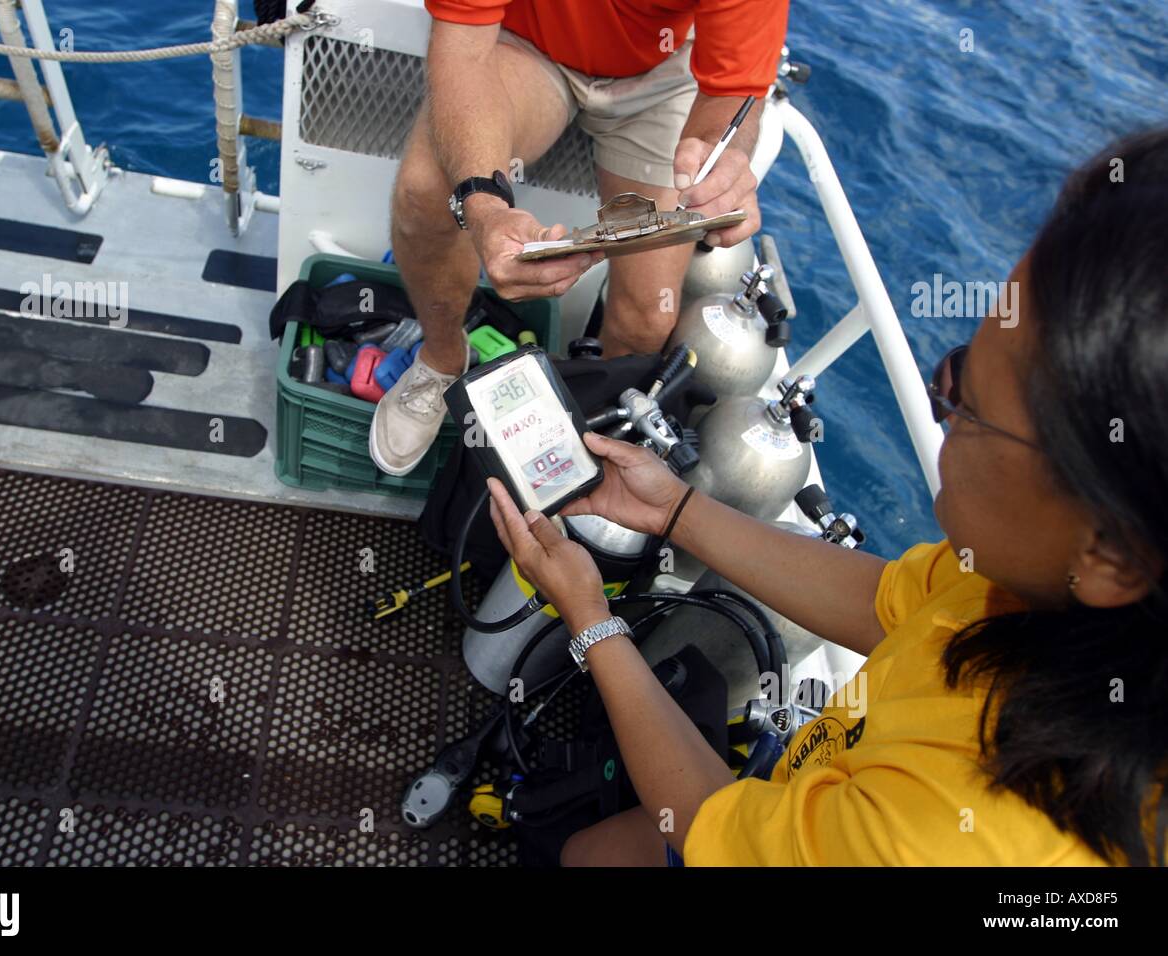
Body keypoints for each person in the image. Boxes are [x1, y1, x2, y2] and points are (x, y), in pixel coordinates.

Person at [484, 128, 1168, 866]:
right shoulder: (1025, 585)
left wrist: (590, 618)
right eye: (958, 362)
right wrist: (674, 511)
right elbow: (888, 602)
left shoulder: (950, 837)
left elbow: (710, 822)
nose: (941, 398)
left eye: (972, 404)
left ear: (1114, 552)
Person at [370, 0, 790, 477]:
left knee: (650, 315)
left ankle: (593, 437)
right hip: (526, 46)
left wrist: (722, 158)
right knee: (426, 192)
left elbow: (733, 92)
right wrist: (483, 203)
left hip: (665, 71)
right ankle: (442, 357)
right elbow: (464, 47)